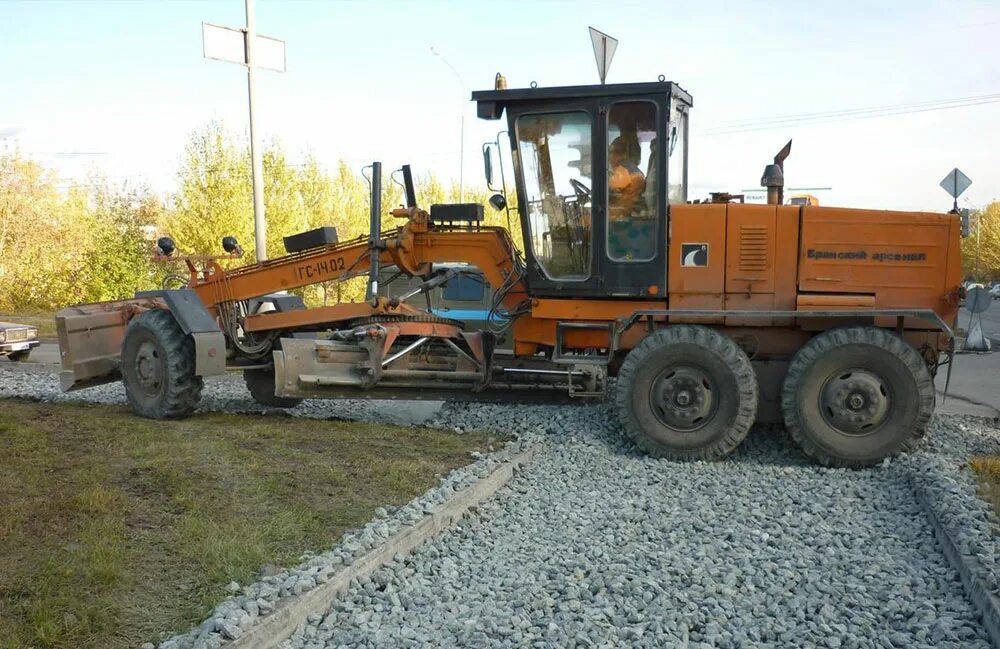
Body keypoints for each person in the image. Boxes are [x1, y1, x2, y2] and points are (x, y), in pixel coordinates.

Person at [608, 137, 646, 221]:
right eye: (610, 153)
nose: (610, 157)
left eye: (615, 152)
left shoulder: (625, 172)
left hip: (620, 220)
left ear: (625, 154)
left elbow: (610, 192)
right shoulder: (635, 172)